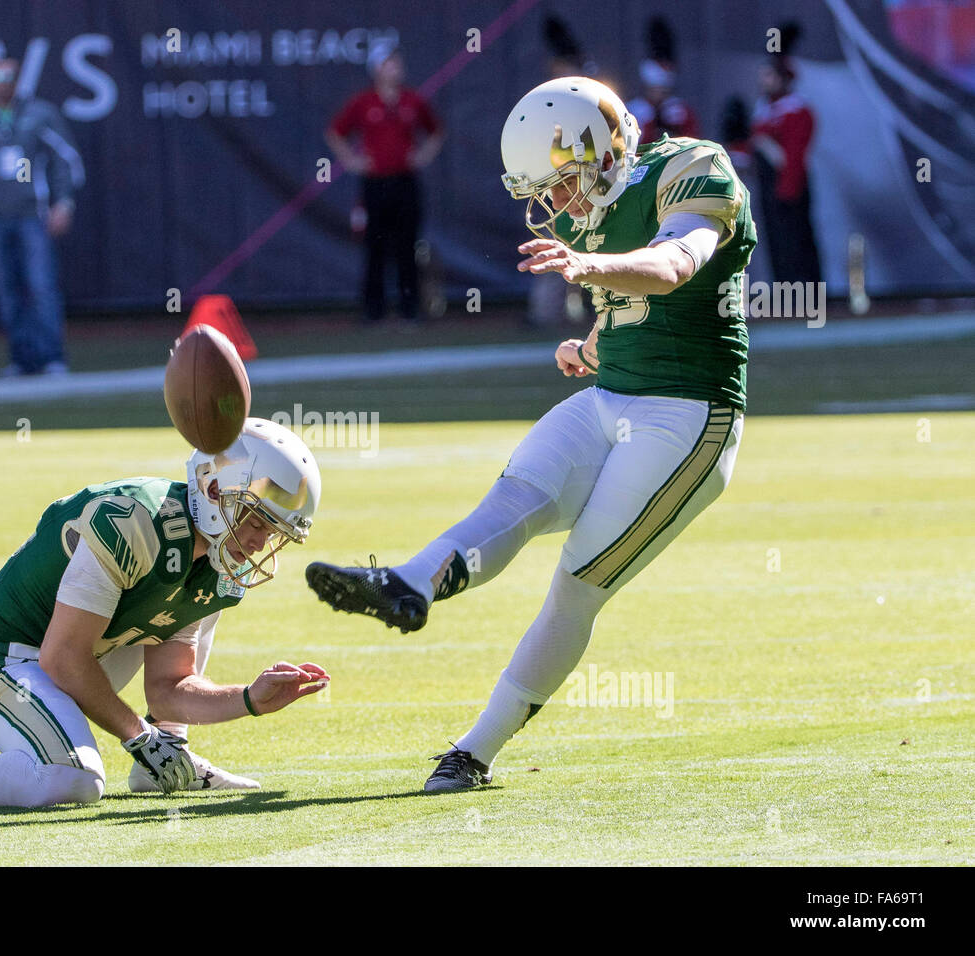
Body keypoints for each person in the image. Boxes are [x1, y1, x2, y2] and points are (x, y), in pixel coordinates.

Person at [306, 77, 754, 792]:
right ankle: (407, 585)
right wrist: (596, 345)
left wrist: (588, 266)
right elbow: (630, 311)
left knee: (575, 585)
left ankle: (475, 751)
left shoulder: (689, 169)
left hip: (689, 417)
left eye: (565, 180)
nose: (557, 203)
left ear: (607, 152)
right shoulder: (591, 211)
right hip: (612, 396)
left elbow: (674, 266)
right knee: (511, 503)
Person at [0, 419, 329, 808]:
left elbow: (168, 688)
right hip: (3, 661)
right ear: (212, 488)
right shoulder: (135, 520)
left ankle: (166, 758)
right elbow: (62, 658)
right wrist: (136, 734)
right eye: (255, 520)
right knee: (72, 780)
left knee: (97, 758)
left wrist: (248, 699)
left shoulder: (217, 567)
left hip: (84, 655)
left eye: (275, 531)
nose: (258, 543)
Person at [0, 59, 83, 377]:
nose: (1, 84)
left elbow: (66, 160)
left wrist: (63, 203)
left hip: (32, 217)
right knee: (5, 290)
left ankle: (52, 356)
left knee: (41, 286)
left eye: (7, 78)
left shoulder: (40, 114)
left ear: (17, 81)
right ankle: (21, 357)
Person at [326, 40, 444, 325]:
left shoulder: (411, 100)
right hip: (375, 184)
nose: (395, 69)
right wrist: (352, 161)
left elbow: (436, 130)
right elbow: (335, 132)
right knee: (374, 246)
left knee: (407, 246)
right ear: (377, 69)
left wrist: (423, 155)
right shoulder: (364, 102)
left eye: (397, 63)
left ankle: (409, 308)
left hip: (405, 182)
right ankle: (373, 310)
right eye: (389, 63)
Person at [751, 28, 821, 285]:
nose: (763, 80)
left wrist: (766, 145)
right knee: (777, 246)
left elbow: (793, 156)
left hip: (789, 187)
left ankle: (808, 295)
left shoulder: (797, 110)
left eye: (768, 75)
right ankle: (786, 294)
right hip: (770, 188)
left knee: (797, 243)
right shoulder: (764, 110)